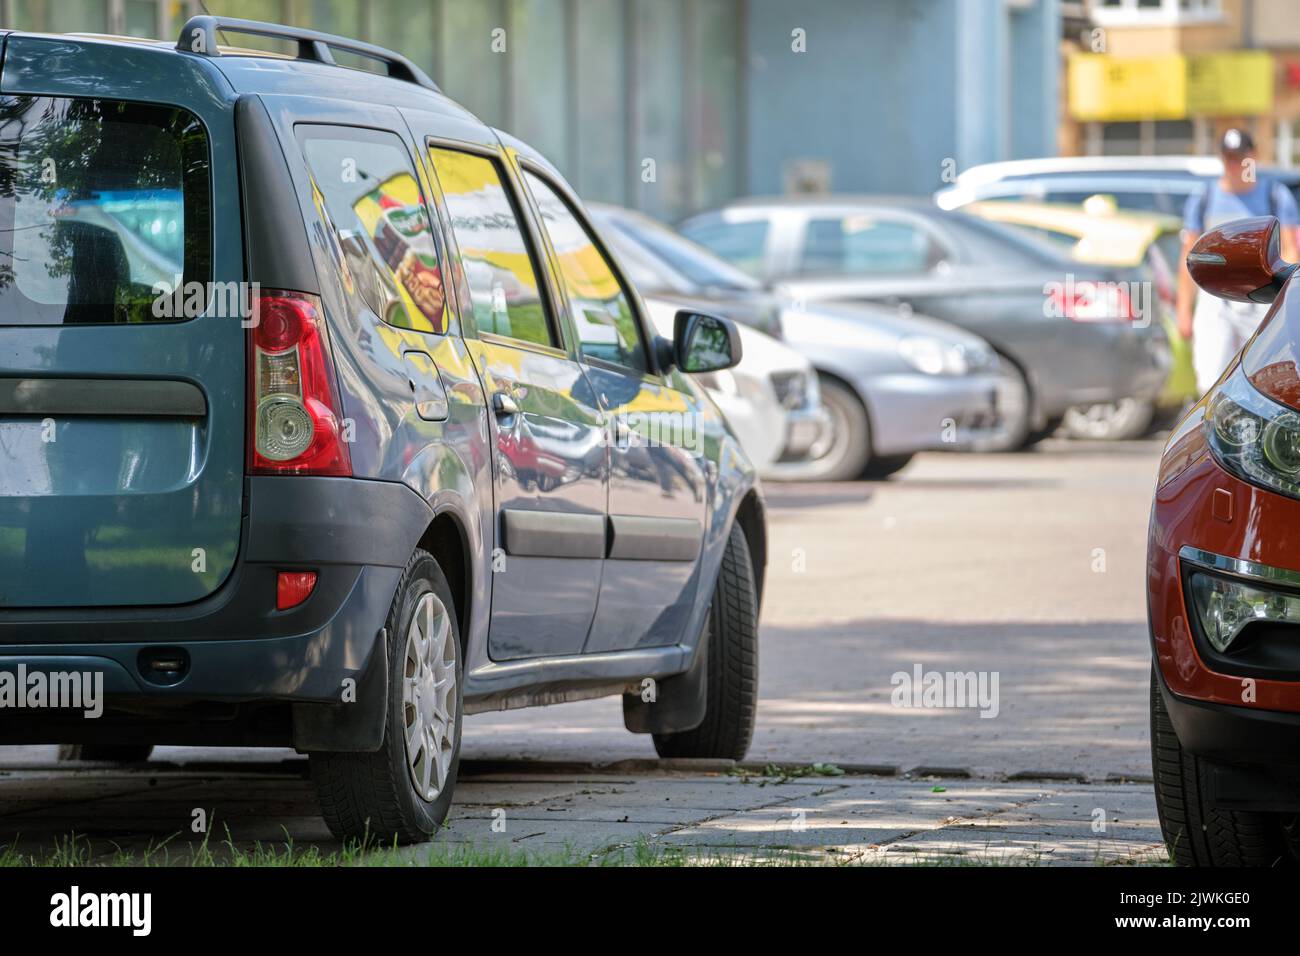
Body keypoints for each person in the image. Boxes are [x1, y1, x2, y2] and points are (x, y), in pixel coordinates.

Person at [1178, 128, 1300, 394]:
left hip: (1260, 297)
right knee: (1210, 382)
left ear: (1253, 156)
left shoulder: (1274, 195)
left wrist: (1283, 302)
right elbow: (1189, 256)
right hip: (1214, 299)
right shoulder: (1204, 198)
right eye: (1228, 157)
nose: (1234, 164)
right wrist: (1184, 309)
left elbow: (1291, 250)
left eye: (1240, 157)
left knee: (1264, 379)